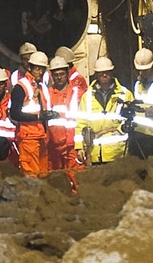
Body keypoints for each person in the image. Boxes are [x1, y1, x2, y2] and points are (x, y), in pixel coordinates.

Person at [78, 56, 131, 164]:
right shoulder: (87, 97)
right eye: (101, 72)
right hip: (95, 153)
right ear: (96, 74)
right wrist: (79, 147)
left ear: (112, 72)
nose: (104, 75)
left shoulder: (125, 94)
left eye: (107, 72)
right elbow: (80, 123)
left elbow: (132, 119)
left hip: (118, 154)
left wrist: (120, 130)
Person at [10, 50, 51, 178]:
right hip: (28, 138)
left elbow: (41, 108)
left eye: (42, 69)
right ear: (30, 67)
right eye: (37, 69)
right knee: (31, 176)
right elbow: (14, 113)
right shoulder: (21, 87)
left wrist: (49, 114)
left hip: (42, 136)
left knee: (43, 174)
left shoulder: (42, 87)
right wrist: (38, 117)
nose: (39, 72)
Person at [44, 50, 81, 188]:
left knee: (75, 175)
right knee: (56, 178)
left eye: (61, 74)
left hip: (71, 143)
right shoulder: (47, 94)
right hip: (53, 144)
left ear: (67, 73)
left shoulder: (77, 92)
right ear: (52, 75)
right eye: (56, 75)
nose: (59, 77)